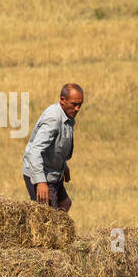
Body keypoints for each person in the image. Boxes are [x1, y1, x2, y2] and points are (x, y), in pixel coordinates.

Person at [22, 83, 83, 211]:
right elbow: (35, 150)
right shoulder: (53, 118)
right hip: (42, 174)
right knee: (48, 219)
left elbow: (56, 146)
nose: (77, 108)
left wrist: (63, 165)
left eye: (80, 105)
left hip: (54, 172)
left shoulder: (67, 115)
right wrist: (41, 182)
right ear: (62, 100)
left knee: (65, 203)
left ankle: (60, 231)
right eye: (74, 104)